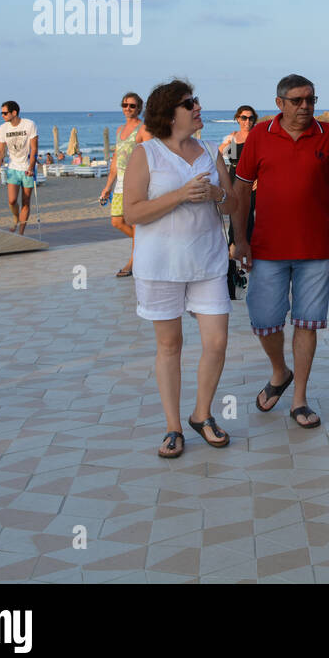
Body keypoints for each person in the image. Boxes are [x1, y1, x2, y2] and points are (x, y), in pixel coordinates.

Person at [230, 75, 329, 431]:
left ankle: (299, 399)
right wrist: (241, 239)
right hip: (267, 248)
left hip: (316, 248)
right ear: (280, 103)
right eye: (298, 100)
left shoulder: (328, 135)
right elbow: (240, 191)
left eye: (311, 100)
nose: (305, 107)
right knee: (264, 320)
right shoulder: (259, 136)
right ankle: (279, 371)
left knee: (306, 322)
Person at [122, 80, 236, 459]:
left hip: (208, 261)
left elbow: (232, 205)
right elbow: (132, 212)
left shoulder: (207, 150)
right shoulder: (146, 154)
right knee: (170, 345)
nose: (199, 107)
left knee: (217, 341)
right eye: (191, 103)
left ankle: (201, 414)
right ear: (170, 114)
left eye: (197, 100)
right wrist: (180, 195)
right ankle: (172, 427)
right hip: (160, 266)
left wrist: (217, 194)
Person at [100, 92, 152, 277]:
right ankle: (148, 247)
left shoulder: (144, 129)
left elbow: (151, 155)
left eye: (132, 105)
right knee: (117, 221)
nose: (127, 108)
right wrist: (108, 186)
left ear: (139, 108)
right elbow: (115, 160)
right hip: (120, 183)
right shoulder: (119, 130)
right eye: (124, 105)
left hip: (136, 182)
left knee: (136, 224)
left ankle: (132, 262)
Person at [0, 101, 38, 235]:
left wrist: (31, 167)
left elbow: (34, 148)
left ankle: (21, 232)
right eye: (1, 113)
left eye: (5, 113)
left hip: (27, 169)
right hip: (12, 168)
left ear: (14, 113)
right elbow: (0, 151)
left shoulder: (29, 125)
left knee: (25, 201)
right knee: (12, 200)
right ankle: (15, 217)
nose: (2, 115)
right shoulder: (3, 128)